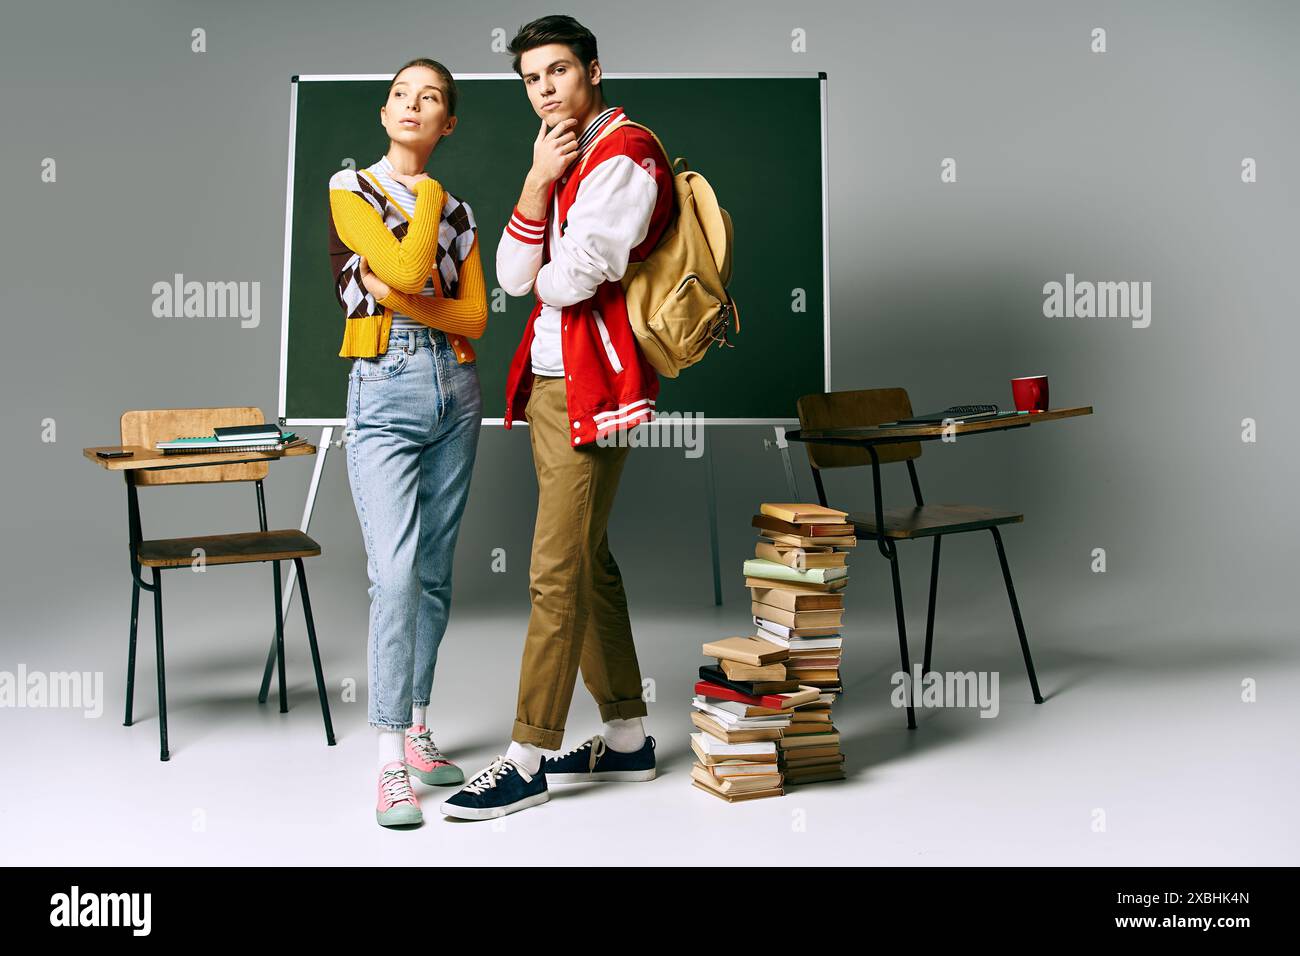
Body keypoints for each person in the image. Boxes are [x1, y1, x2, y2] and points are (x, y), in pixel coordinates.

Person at [441, 15, 673, 821]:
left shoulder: (627, 151)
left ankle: (527, 754)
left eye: (558, 72)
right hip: (547, 383)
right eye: (532, 78)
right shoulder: (562, 158)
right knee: (588, 560)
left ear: (594, 71)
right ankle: (629, 738)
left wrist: (544, 267)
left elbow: (576, 275)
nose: (545, 89)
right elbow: (511, 274)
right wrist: (538, 182)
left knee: (554, 573)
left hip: (594, 388)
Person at [327, 58, 488, 827]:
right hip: (382, 388)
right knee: (391, 574)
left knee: (431, 574)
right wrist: (421, 209)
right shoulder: (348, 188)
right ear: (384, 112)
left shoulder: (461, 210)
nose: (412, 105)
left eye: (430, 99)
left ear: (447, 122)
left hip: (456, 392)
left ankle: (419, 725)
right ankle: (389, 759)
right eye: (400, 95)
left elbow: (476, 321)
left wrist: (406, 296)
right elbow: (407, 265)